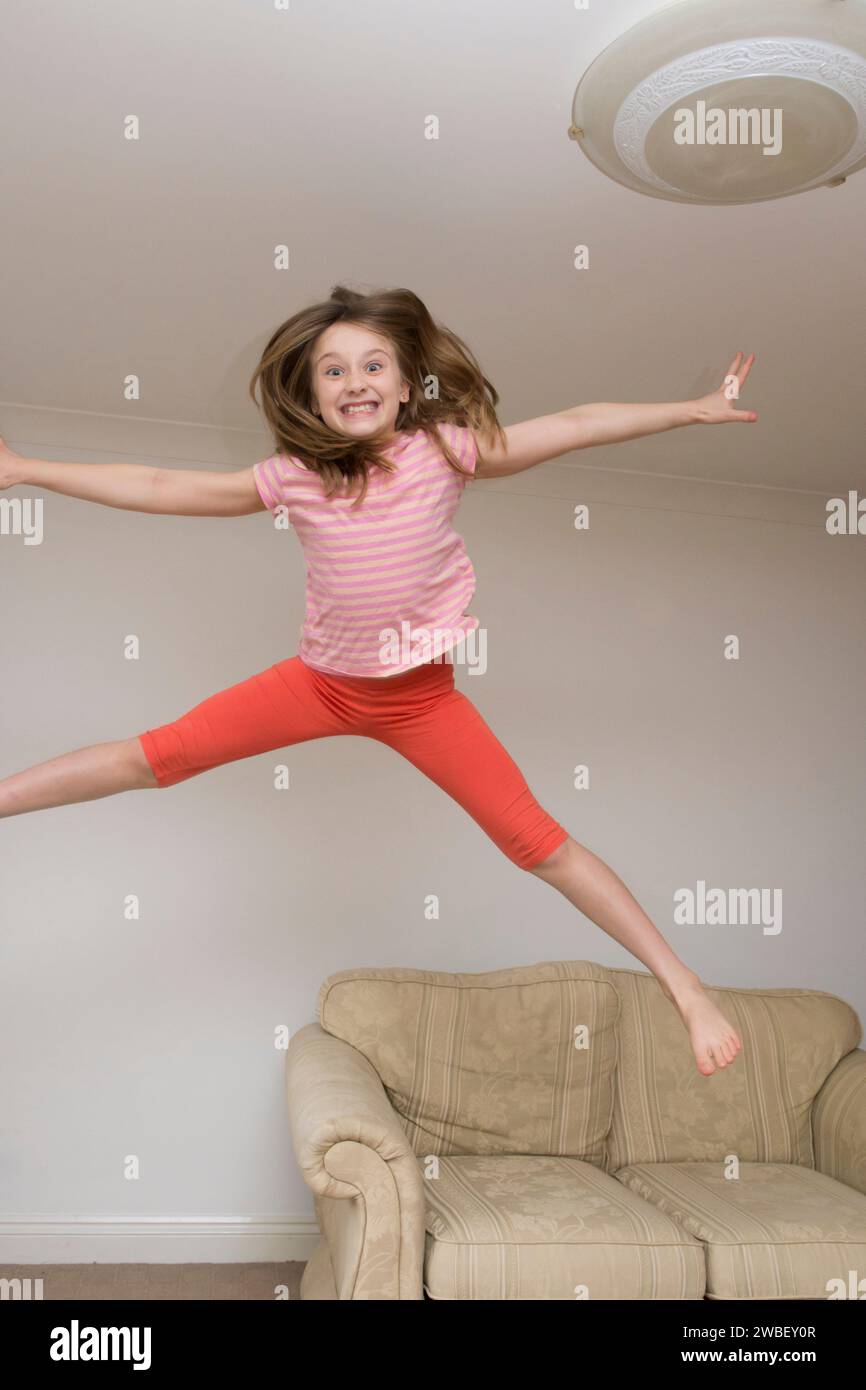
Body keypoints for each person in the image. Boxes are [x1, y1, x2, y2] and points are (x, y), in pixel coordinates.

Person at [0, 284, 757, 1076]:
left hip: (421, 701)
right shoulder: (294, 476)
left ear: (406, 386)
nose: (354, 380)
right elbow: (161, 486)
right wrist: (26, 470)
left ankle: (685, 987)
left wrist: (689, 409)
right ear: (312, 394)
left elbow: (571, 426)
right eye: (332, 370)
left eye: (372, 365)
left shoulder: (447, 449)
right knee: (154, 757)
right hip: (319, 684)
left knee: (538, 844)